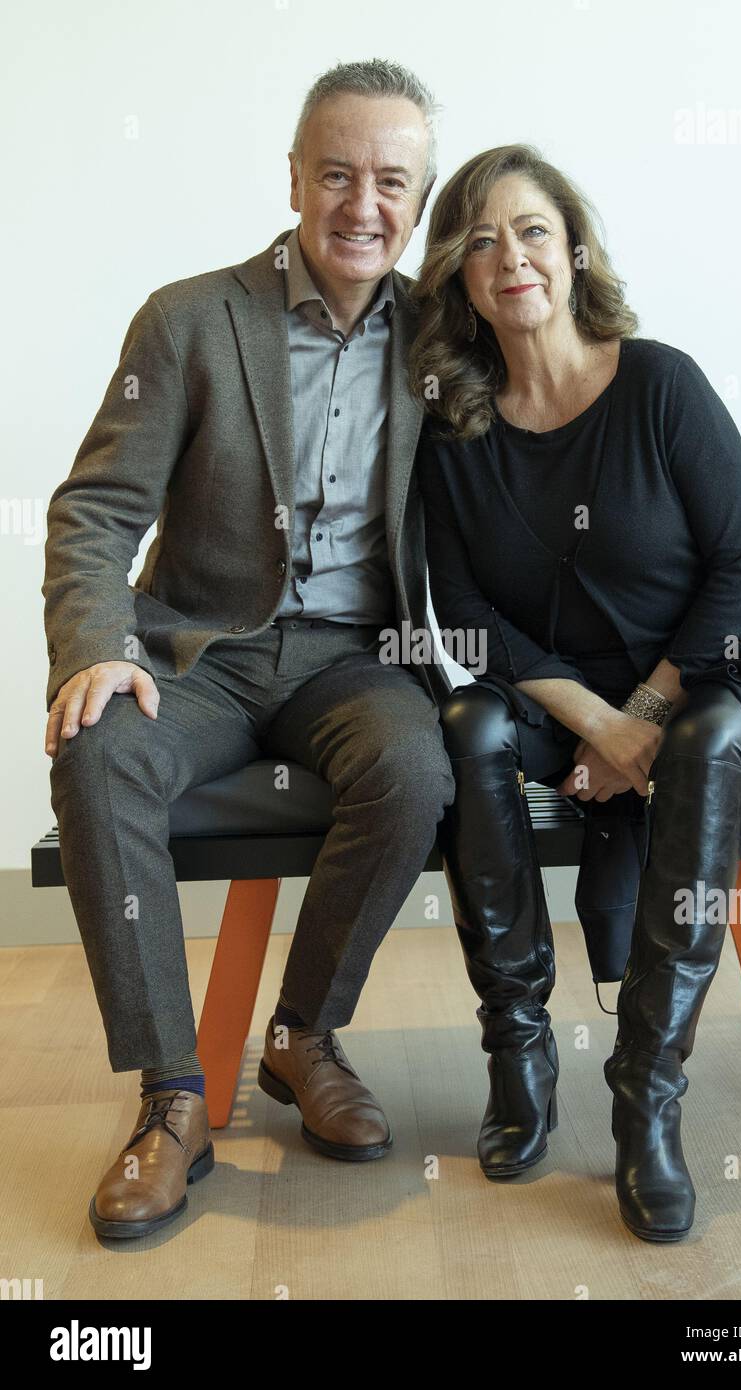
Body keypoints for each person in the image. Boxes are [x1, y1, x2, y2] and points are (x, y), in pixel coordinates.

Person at [42, 59, 455, 1240]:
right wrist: (97, 644)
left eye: (390, 181)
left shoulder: (444, 333)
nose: (360, 206)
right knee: (95, 749)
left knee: (413, 767)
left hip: (355, 662)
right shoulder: (188, 320)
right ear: (292, 177)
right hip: (199, 653)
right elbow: (97, 511)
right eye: (335, 174)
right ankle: (172, 1095)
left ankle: (302, 1036)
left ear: (418, 201)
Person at [408, 142, 741, 1242]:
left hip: (720, 664)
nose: (511, 257)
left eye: (532, 229)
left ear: (572, 247)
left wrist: (641, 720)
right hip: (568, 697)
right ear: (455, 272)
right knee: (466, 721)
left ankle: (646, 1093)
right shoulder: (455, 426)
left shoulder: (659, 383)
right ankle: (519, 1052)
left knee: (700, 741)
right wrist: (596, 722)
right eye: (481, 239)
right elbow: (458, 614)